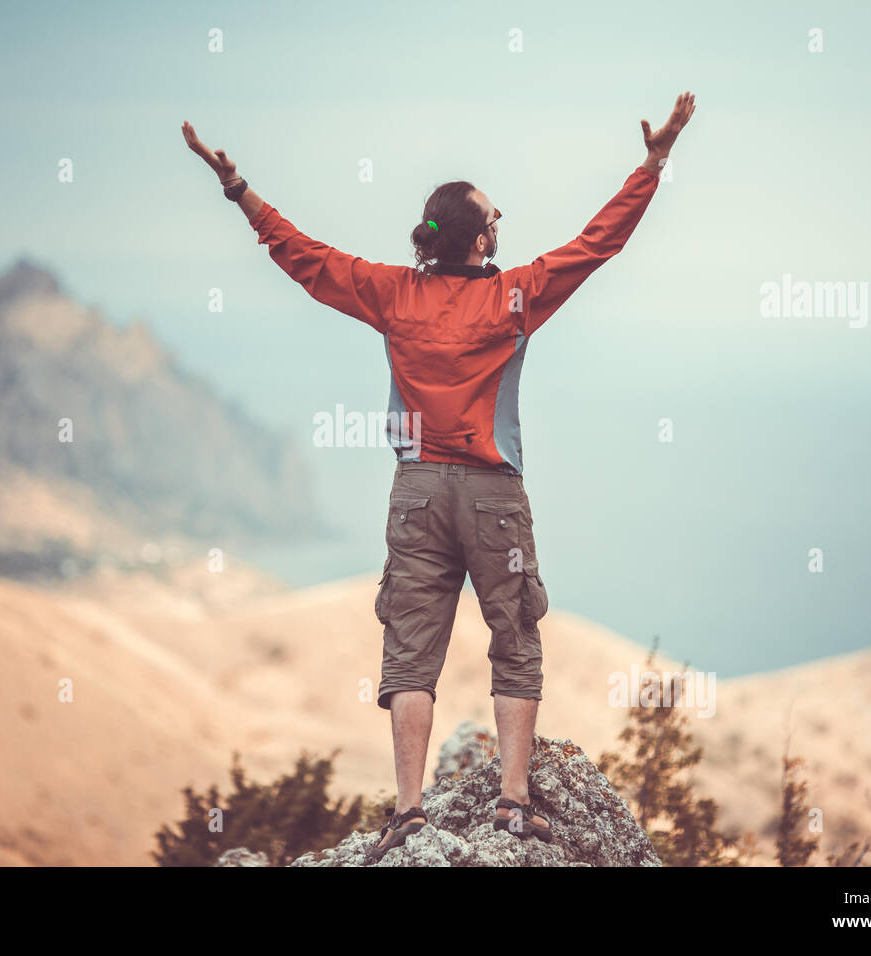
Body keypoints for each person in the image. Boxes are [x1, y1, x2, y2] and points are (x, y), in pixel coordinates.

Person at [181, 92, 696, 862]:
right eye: (497, 217)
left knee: (410, 652)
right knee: (514, 639)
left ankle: (410, 811)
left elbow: (306, 258)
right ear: (481, 236)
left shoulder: (393, 294)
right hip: (493, 496)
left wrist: (237, 188)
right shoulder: (515, 296)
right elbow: (598, 243)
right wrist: (653, 163)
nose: (502, 225)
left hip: (417, 492)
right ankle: (514, 806)